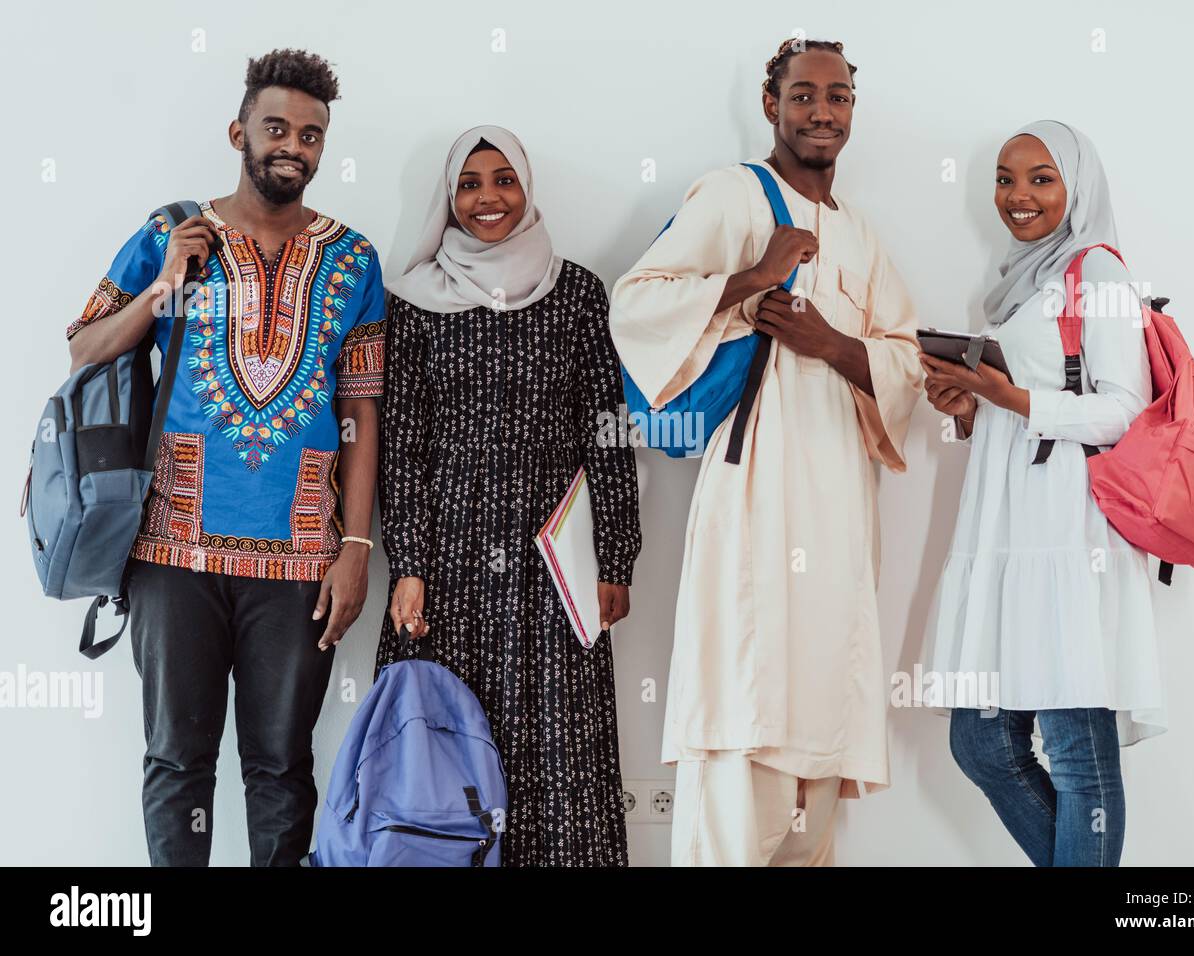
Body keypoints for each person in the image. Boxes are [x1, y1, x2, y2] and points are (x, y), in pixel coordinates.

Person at [66, 49, 386, 866]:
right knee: (178, 762)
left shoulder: (353, 261)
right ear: (239, 130)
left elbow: (361, 408)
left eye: (311, 134)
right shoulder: (171, 233)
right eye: (277, 127)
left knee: (281, 768)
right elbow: (85, 351)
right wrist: (164, 284)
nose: (294, 146)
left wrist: (356, 549)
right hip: (173, 548)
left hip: (303, 556)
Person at [609, 39, 923, 866]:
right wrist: (751, 277)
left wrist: (833, 343)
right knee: (742, 698)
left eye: (840, 96)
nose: (823, 111)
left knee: (818, 716)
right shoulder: (731, 194)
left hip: (840, 499)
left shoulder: (860, 233)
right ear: (770, 104)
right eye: (805, 94)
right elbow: (636, 303)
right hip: (754, 490)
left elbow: (904, 357)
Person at [377, 125, 642, 867]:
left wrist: (617, 556)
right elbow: (404, 443)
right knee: (447, 760)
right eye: (469, 183)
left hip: (554, 566)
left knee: (557, 755)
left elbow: (610, 432)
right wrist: (408, 563)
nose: (487, 197)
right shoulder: (415, 302)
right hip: (449, 566)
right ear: (448, 199)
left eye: (503, 179)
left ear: (526, 189)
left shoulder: (578, 295)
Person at [917, 120, 1165, 867]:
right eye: (1004, 179)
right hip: (1004, 531)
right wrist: (969, 410)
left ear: (1077, 186)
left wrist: (1012, 398)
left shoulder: (1102, 275)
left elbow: (1124, 406)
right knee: (983, 742)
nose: (1017, 196)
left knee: (1074, 750)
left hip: (1067, 536)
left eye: (1040, 178)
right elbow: (1019, 400)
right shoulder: (1017, 283)